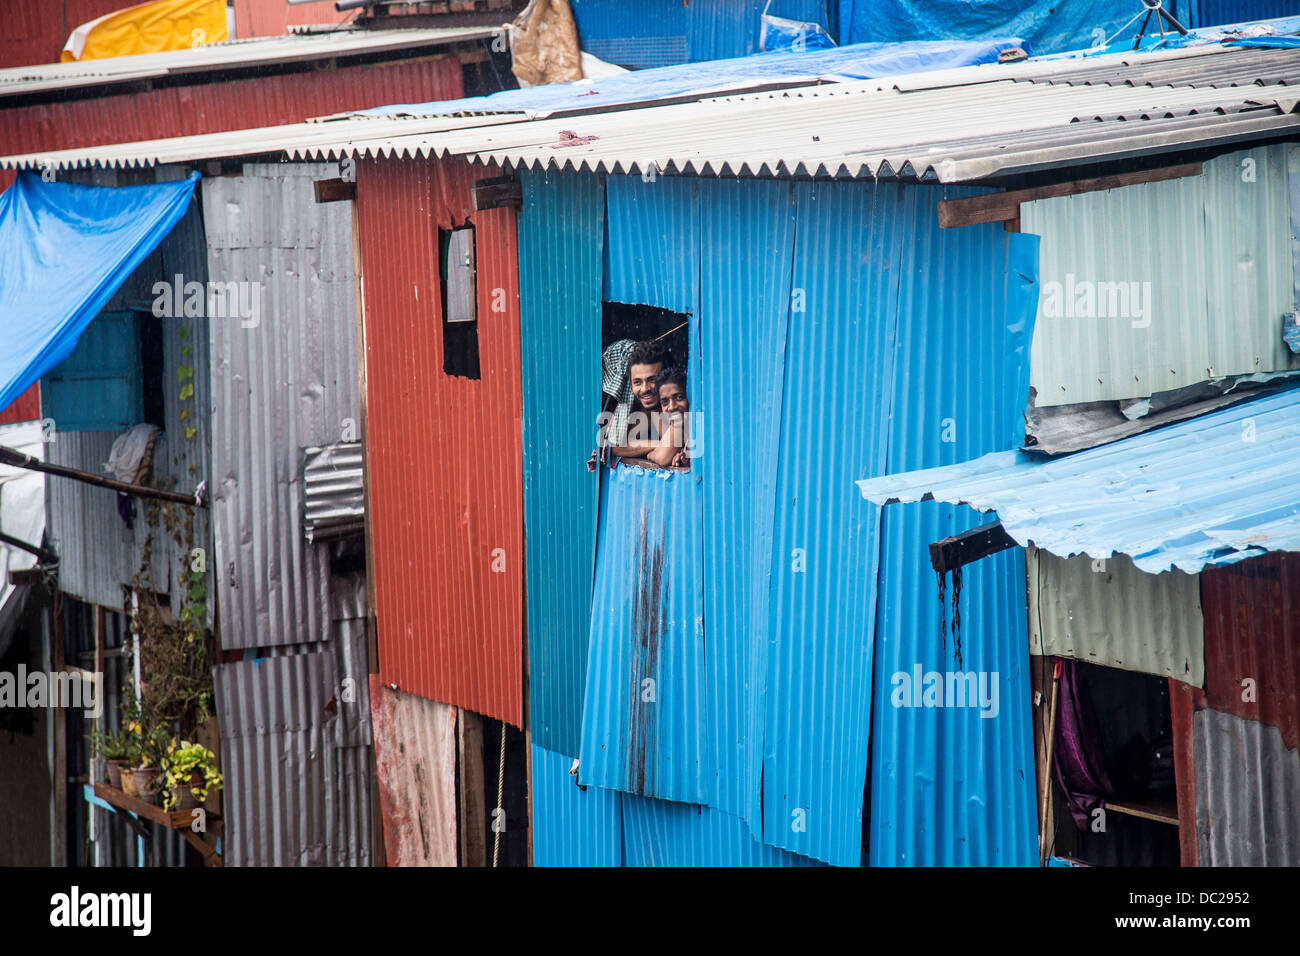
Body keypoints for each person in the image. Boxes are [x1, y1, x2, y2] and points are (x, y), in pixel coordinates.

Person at [609, 340, 668, 462]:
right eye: (637, 382)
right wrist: (656, 444)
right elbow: (614, 447)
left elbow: (667, 455)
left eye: (652, 380)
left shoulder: (676, 407)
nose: (644, 389)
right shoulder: (638, 411)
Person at [647, 367, 690, 469]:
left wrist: (649, 455)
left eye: (679, 397)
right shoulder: (679, 423)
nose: (671, 407)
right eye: (665, 402)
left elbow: (662, 458)